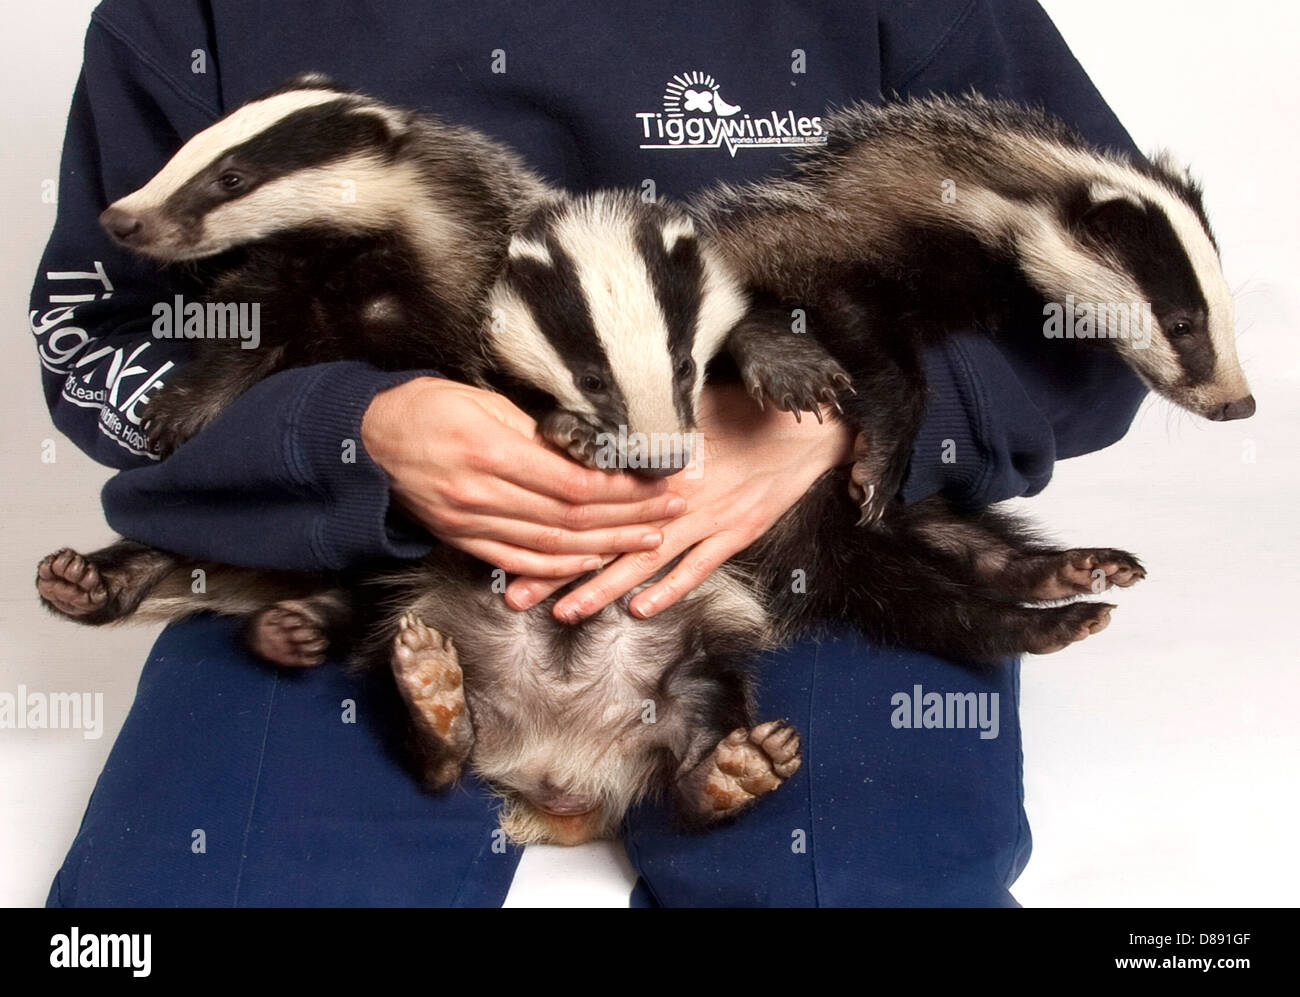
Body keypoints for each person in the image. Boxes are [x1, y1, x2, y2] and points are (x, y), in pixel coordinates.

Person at [32, 0, 1146, 906]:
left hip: (808, 549)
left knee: (862, 886)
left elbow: (1108, 322)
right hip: (380, 571)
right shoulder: (192, 17)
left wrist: (844, 425)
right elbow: (103, 337)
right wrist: (349, 433)